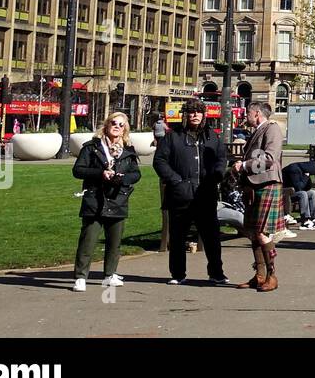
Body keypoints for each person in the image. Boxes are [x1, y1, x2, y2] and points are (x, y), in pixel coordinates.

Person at [153, 98, 227, 285]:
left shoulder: (212, 136)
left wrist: (217, 174)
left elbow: (221, 158)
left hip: (205, 192)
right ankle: (178, 274)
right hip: (181, 193)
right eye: (191, 112)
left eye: (198, 112)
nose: (195, 115)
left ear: (204, 115)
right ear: (185, 114)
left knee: (211, 237)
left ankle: (216, 273)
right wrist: (176, 180)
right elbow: (160, 161)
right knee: (178, 236)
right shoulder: (172, 136)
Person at [71, 111, 141, 291]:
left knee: (114, 241)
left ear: (125, 129)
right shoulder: (92, 147)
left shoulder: (128, 150)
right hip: (95, 198)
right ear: (107, 125)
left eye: (121, 124)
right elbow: (78, 170)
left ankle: (110, 274)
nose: (117, 127)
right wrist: (99, 174)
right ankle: (80, 276)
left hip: (118, 199)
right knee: (88, 239)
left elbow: (136, 174)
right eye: (114, 123)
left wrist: (122, 178)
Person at [233, 101, 284, 292]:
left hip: (267, 184)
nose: (245, 116)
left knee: (262, 233)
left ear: (256, 114)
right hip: (254, 186)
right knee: (254, 232)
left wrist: (244, 165)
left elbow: (269, 159)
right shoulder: (258, 131)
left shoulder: (272, 129)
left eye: (248, 113)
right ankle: (260, 275)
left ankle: (272, 276)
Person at [282, 159, 315, 230]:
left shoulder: (303, 170)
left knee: (312, 192)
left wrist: (308, 177)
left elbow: (307, 187)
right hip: (286, 193)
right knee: (303, 194)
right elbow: (299, 187)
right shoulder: (293, 169)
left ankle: (314, 218)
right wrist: (306, 177)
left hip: (294, 192)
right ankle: (305, 220)